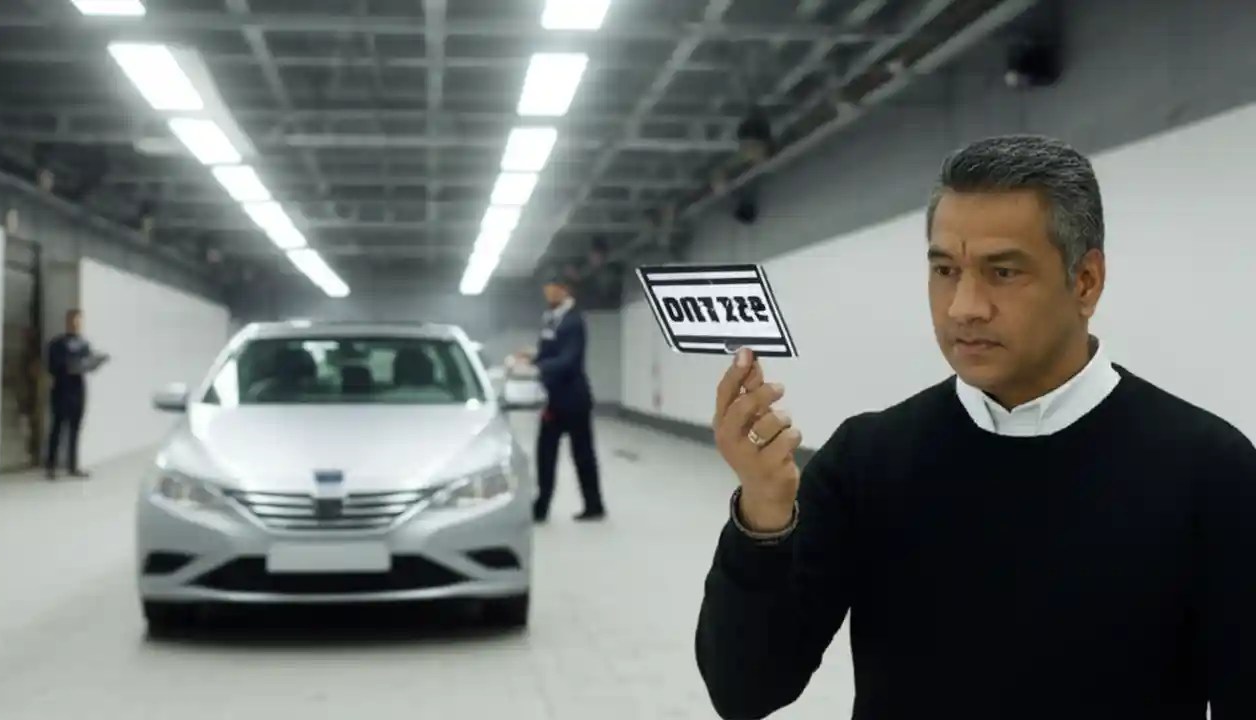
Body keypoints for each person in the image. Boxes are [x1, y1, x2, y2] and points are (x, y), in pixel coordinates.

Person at [695, 135, 1256, 719]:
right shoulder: (866, 461)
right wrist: (763, 516)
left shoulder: (1210, 473)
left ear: (1085, 281)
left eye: (1003, 271)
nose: (964, 306)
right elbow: (745, 691)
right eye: (945, 269)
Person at [515, 276, 605, 522]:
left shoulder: (574, 321)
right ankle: (541, 506)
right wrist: (531, 357)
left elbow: (569, 360)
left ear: (565, 290)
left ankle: (594, 505)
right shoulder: (551, 318)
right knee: (545, 453)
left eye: (551, 288)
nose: (547, 293)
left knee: (582, 455)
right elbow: (549, 353)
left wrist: (538, 368)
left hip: (574, 399)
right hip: (554, 399)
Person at [44, 309, 108, 480]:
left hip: (78, 390)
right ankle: (50, 467)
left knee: (75, 429)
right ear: (67, 322)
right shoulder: (57, 343)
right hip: (61, 389)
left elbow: (87, 364)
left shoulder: (84, 344)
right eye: (73, 320)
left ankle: (72, 466)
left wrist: (93, 363)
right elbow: (51, 366)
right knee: (57, 428)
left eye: (79, 321)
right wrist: (68, 366)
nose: (76, 324)